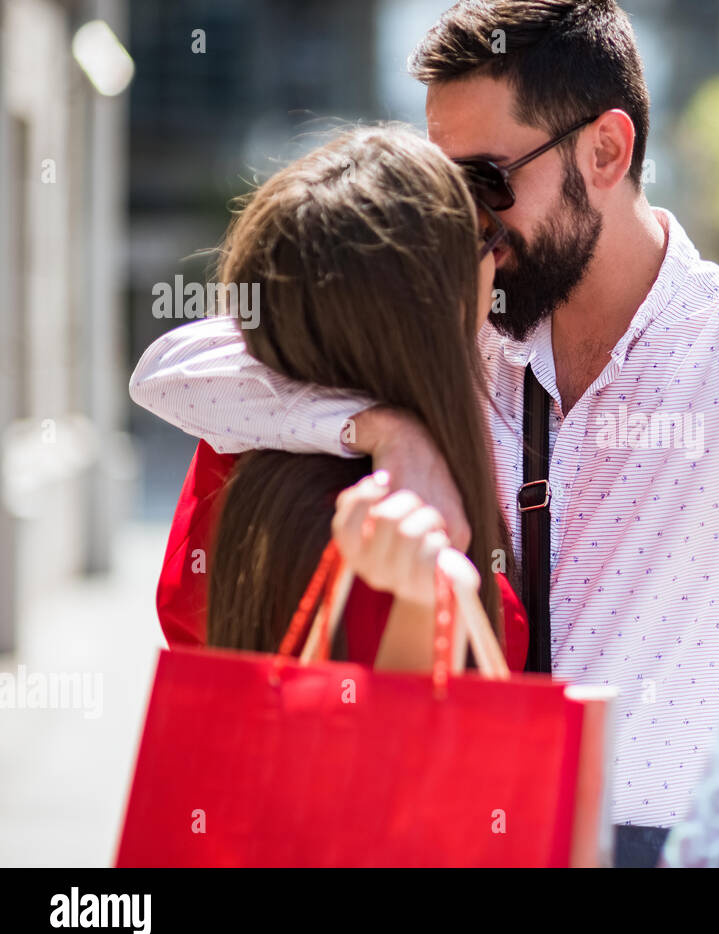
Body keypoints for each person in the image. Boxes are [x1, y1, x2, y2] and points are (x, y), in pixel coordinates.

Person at [130, 1, 719, 864]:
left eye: (487, 180)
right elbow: (181, 367)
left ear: (607, 151)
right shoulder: (460, 322)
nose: (468, 222)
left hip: (660, 845)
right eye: (447, 186)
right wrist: (377, 429)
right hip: (461, 830)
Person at [176, 124, 527, 670]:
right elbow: (398, 722)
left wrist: (385, 429)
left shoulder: (230, 456)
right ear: (434, 306)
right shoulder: (398, 533)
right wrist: (420, 603)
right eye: (482, 238)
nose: (498, 255)